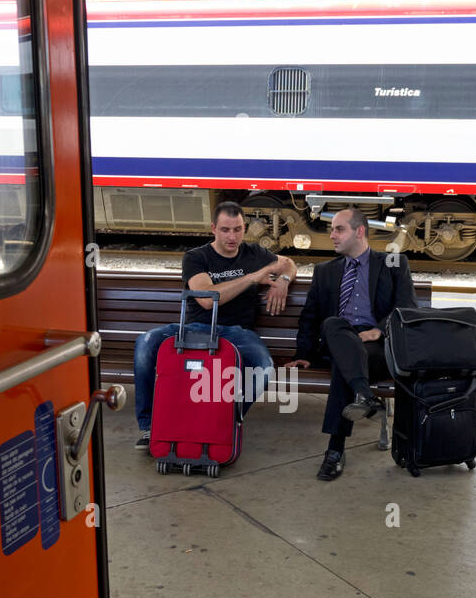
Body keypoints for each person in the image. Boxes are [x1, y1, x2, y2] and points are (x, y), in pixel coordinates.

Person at [133, 202, 297, 448]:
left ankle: (224, 422)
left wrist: (283, 280)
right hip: (195, 329)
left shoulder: (255, 254)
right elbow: (207, 298)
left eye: (238, 229)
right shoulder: (196, 257)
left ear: (244, 229)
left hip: (237, 335)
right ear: (213, 229)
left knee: (263, 368)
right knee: (145, 343)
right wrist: (252, 277)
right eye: (225, 230)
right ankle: (149, 426)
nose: (232, 237)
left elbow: (288, 263)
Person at [285, 207, 418, 480]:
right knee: (333, 325)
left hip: (375, 348)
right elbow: (310, 318)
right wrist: (304, 354)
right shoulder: (325, 271)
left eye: (338, 229)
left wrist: (378, 331)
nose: (331, 235)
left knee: (343, 363)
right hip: (337, 339)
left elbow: (406, 307)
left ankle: (335, 450)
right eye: (332, 229)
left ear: (359, 232)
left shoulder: (392, 263)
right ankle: (364, 397)